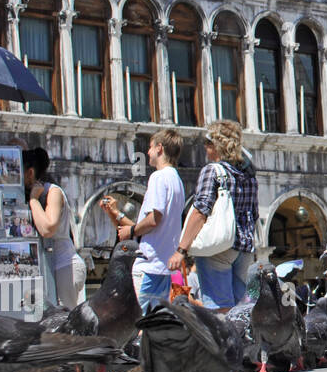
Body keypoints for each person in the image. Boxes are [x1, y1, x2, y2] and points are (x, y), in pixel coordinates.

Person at [170, 120, 259, 312]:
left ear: (217, 146)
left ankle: (224, 341)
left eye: (208, 143)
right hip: (243, 248)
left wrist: (181, 250)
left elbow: (200, 211)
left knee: (219, 307)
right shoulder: (249, 173)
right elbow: (254, 213)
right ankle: (242, 340)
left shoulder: (213, 171)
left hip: (218, 248)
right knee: (240, 307)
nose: (205, 147)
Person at [111, 128, 184, 312]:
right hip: (163, 267)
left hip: (149, 264)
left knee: (134, 319)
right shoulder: (177, 180)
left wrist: (132, 231)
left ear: (160, 148)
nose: (148, 152)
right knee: (155, 321)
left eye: (150, 147)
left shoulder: (158, 177)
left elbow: (154, 219)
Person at [23, 148, 86, 308]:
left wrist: (34, 201)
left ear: (30, 172)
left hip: (64, 266)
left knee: (64, 319)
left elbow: (48, 228)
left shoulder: (53, 192)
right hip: (46, 267)